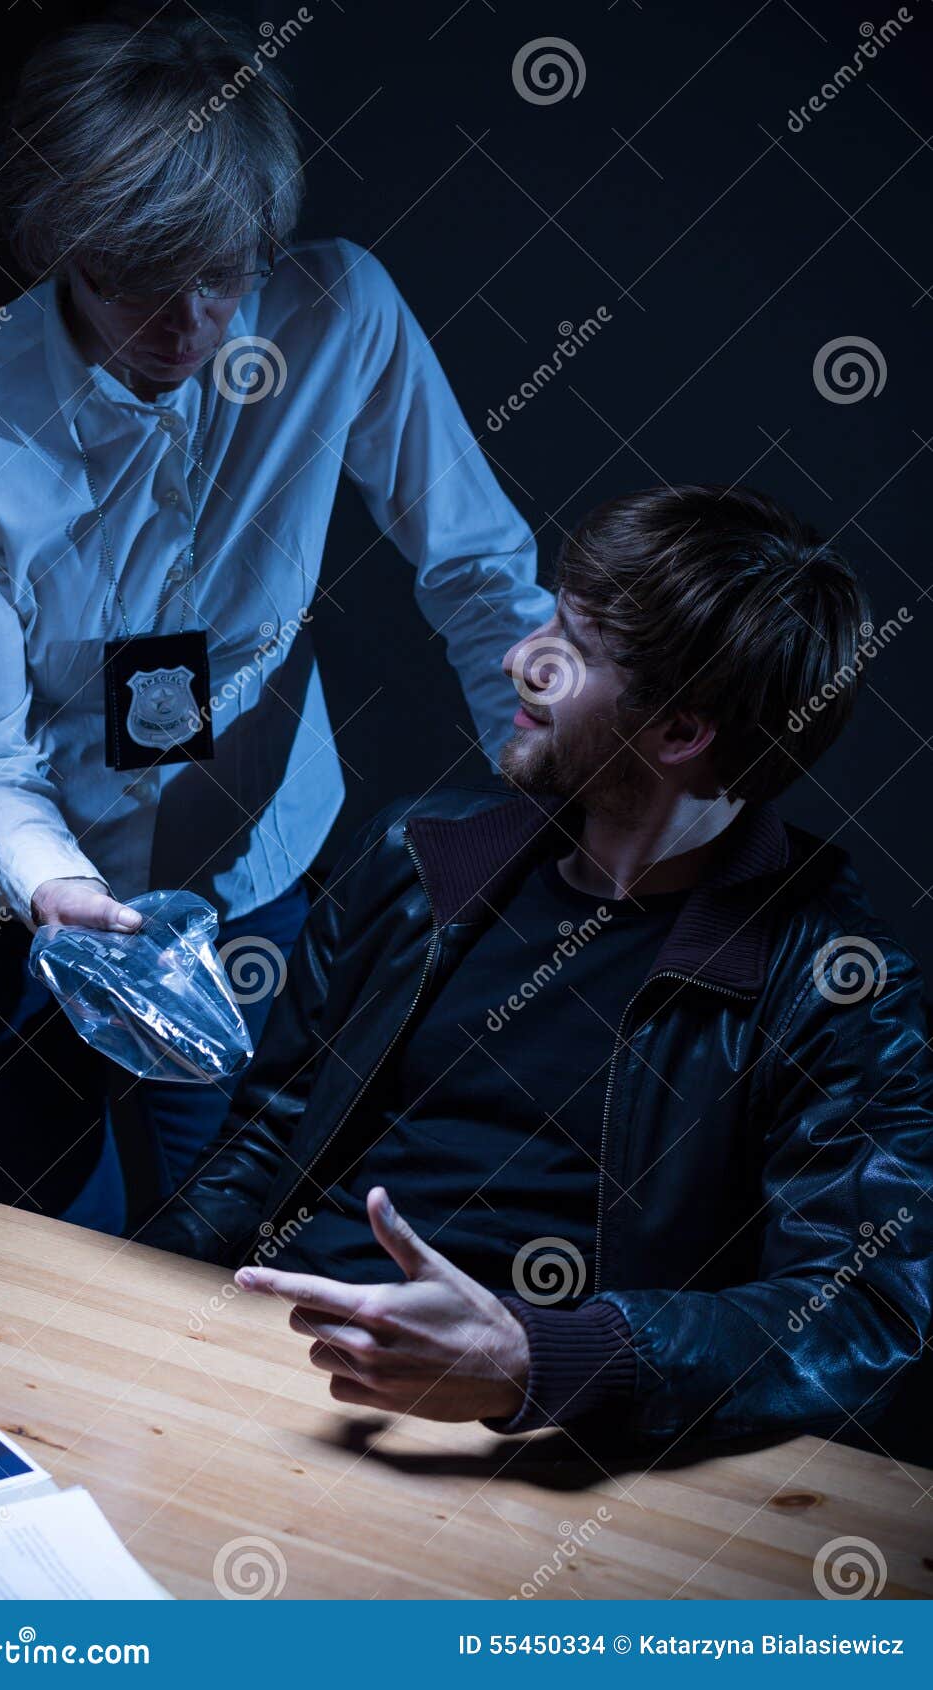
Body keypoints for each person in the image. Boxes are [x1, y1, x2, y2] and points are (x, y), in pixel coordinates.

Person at [0, 11, 551, 1233]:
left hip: (242, 866)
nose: (189, 329)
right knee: (51, 1249)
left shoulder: (342, 313)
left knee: (221, 1238)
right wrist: (61, 897)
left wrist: (553, 785)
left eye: (224, 276)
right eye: (138, 281)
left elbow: (480, 575)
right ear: (63, 247)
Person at [142, 484, 933, 1446]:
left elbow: (867, 1318)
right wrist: (142, 1315)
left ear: (681, 731)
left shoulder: (837, 987)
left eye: (572, 650)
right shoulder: (417, 858)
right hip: (264, 1367)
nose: (519, 660)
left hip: (521, 1444)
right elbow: (268, 1134)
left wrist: (537, 1360)